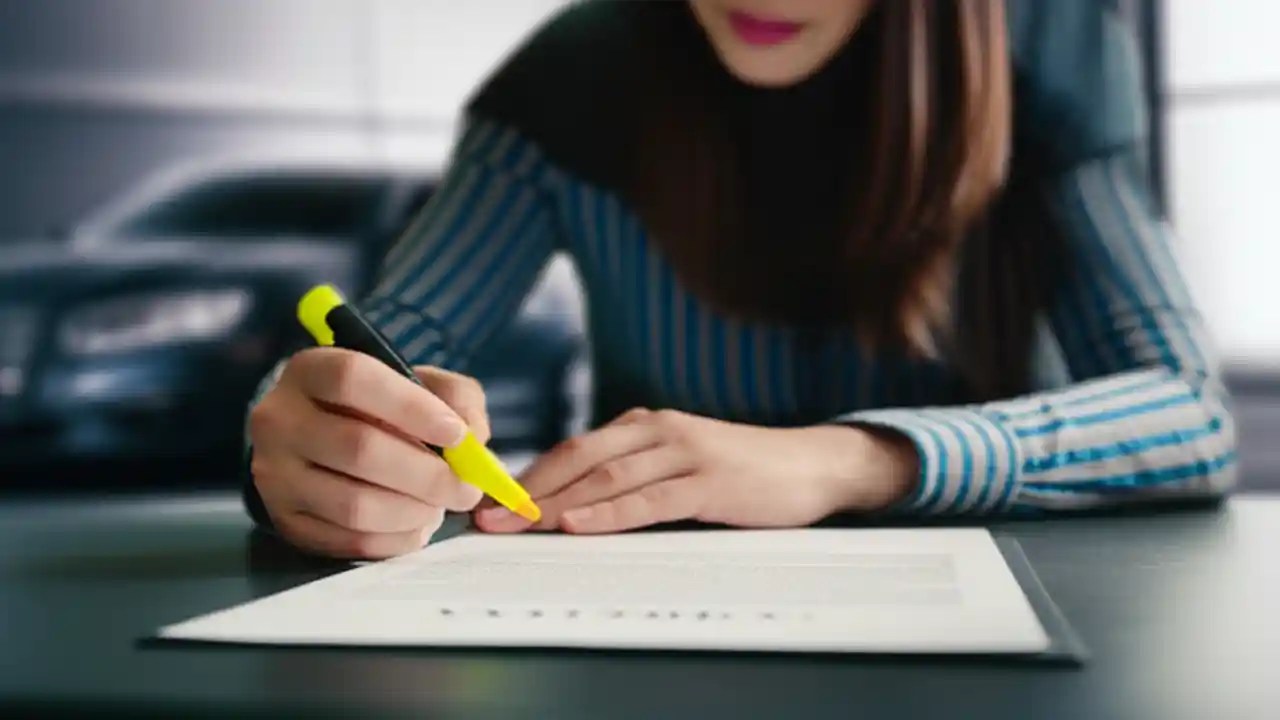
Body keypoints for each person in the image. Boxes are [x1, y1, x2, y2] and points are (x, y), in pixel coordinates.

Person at [245, 0, 1236, 559]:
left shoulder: (1052, 45)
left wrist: (850, 460)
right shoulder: (572, 73)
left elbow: (1187, 417)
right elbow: (386, 350)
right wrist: (310, 448)